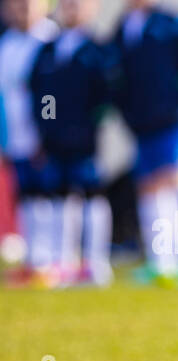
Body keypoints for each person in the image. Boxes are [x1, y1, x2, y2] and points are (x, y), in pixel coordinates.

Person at [109, 0, 178, 286]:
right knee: (149, 188)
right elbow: (117, 77)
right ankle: (161, 263)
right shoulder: (122, 27)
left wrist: (176, 102)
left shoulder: (174, 23)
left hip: (173, 121)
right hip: (141, 125)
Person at [28, 0, 112, 286]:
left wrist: (88, 122)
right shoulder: (49, 50)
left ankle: (94, 262)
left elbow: (104, 93)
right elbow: (44, 93)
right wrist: (48, 124)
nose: (71, 8)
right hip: (55, 140)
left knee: (91, 195)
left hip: (85, 138)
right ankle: (62, 260)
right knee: (60, 197)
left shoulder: (97, 50)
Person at [0, 0, 57, 286]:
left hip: (41, 136)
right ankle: (32, 259)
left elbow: (51, 95)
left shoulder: (49, 41)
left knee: (46, 196)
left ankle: (49, 260)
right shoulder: (7, 44)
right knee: (24, 197)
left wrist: (46, 132)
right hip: (14, 135)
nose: (20, 10)